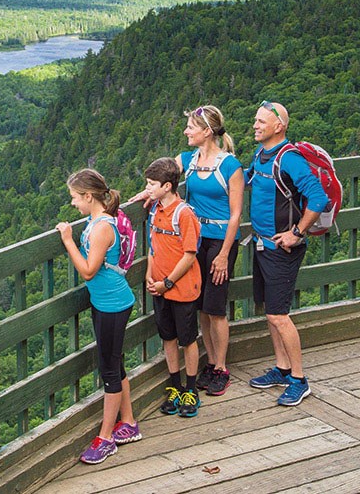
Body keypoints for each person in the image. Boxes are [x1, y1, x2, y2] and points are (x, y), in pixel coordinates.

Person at [246, 101, 331, 406]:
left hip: (282, 249)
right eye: (256, 120)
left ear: (279, 126)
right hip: (263, 244)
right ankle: (282, 369)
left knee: (279, 315)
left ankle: (299, 379)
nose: (255, 125)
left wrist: (297, 233)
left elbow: (318, 197)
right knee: (271, 311)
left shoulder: (289, 158)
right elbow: (245, 179)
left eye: (261, 121)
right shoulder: (261, 154)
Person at [55, 169, 141, 464]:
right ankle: (128, 422)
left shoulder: (102, 227)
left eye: (75, 197)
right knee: (115, 363)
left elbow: (89, 270)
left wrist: (68, 240)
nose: (73, 203)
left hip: (113, 305)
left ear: (89, 196)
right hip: (105, 302)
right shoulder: (97, 220)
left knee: (109, 370)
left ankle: (106, 439)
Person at [177, 105, 244, 397]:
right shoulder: (188, 160)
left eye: (191, 127)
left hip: (219, 241)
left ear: (206, 131)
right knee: (202, 305)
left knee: (215, 308)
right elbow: (163, 175)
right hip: (196, 240)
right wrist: (146, 192)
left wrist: (224, 254)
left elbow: (236, 214)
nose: (186, 132)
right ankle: (211, 361)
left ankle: (221, 368)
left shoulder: (230, 166)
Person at [140, 157, 203, 417]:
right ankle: (175, 386)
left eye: (152, 184)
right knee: (168, 337)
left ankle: (191, 389)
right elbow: (153, 246)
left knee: (187, 339)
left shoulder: (183, 214)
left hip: (181, 288)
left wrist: (167, 283)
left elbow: (190, 255)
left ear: (167, 186)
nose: (148, 188)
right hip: (159, 286)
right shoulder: (155, 209)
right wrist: (149, 273)